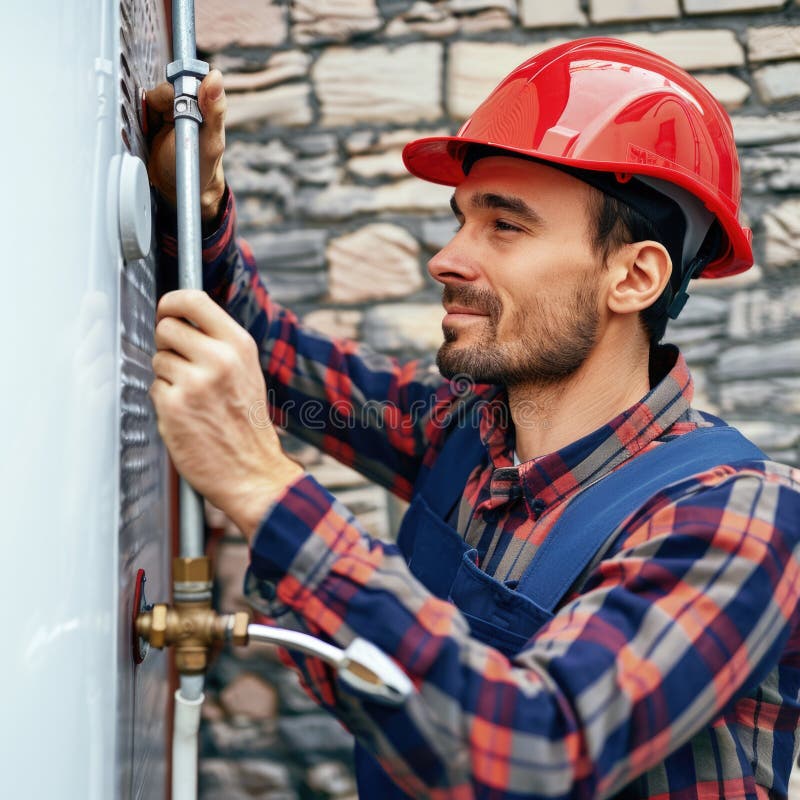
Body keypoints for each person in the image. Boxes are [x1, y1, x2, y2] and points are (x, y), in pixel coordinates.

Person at [147, 38, 800, 799]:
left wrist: (262, 484)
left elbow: (538, 752)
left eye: (505, 226)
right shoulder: (465, 429)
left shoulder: (735, 516)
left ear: (634, 275)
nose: (447, 258)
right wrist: (193, 202)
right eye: (462, 219)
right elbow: (275, 363)